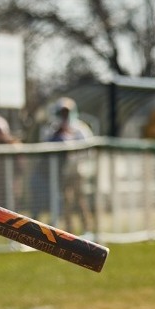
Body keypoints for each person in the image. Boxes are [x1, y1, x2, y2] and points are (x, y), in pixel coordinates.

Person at [43, 97, 96, 235]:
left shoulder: (80, 128)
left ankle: (87, 229)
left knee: (80, 200)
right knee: (66, 201)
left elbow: (89, 150)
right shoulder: (53, 129)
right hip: (61, 172)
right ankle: (68, 230)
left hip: (77, 171)